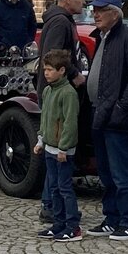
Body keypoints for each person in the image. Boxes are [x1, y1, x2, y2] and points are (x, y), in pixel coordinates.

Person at [82, 0, 128, 240]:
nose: (95, 14)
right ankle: (112, 217)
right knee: (106, 172)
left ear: (114, 13)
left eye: (101, 9)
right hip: (100, 113)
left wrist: (122, 108)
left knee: (122, 173)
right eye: (94, 9)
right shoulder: (103, 37)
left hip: (118, 117)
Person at [34, 49, 81, 240]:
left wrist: (64, 148)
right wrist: (40, 140)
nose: (46, 73)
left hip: (63, 151)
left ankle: (73, 226)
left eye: (50, 70)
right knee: (54, 188)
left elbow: (70, 122)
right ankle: (59, 223)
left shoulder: (68, 93)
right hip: (49, 148)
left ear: (62, 71)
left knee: (65, 188)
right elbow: (45, 119)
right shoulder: (47, 91)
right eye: (45, 69)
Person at [39, 0, 86, 81]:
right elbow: (53, 56)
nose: (84, 2)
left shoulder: (64, 20)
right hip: (58, 91)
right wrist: (75, 75)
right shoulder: (60, 22)